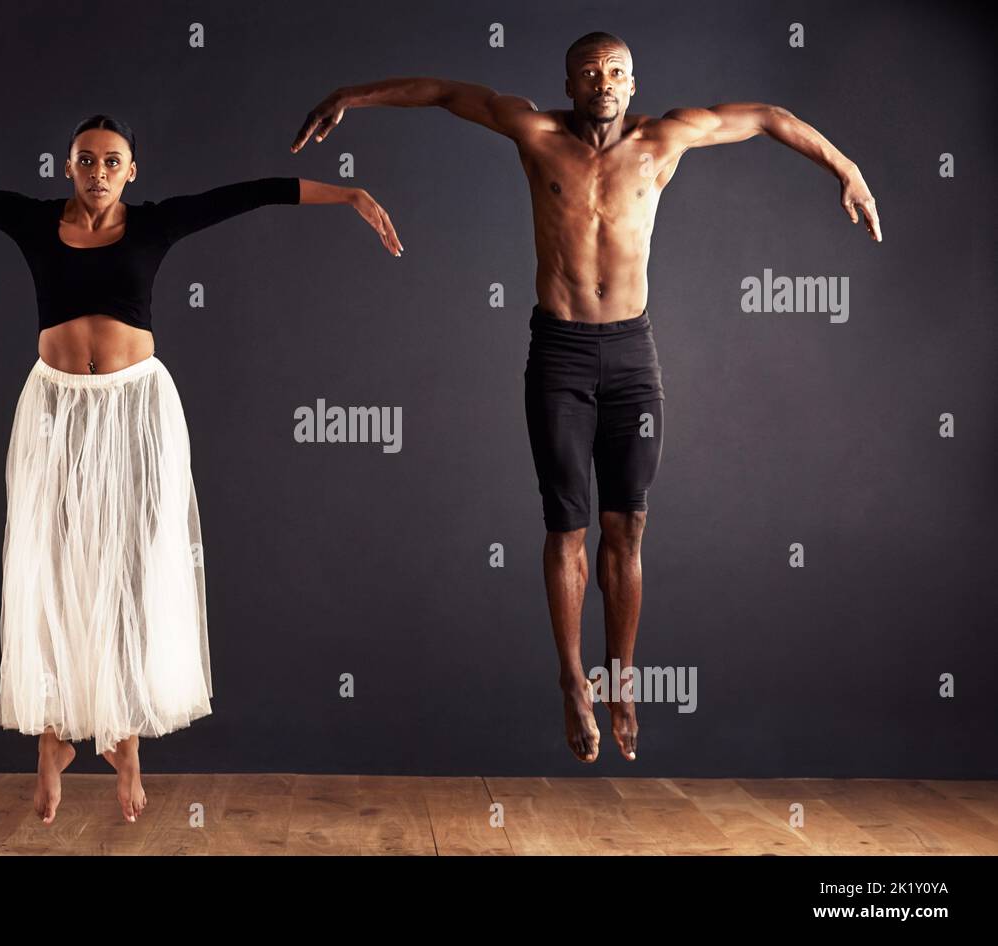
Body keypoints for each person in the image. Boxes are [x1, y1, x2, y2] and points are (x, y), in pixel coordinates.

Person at [0, 114, 403, 823]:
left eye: (113, 161)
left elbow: (255, 192)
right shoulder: (33, 220)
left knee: (131, 566)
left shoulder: (156, 224)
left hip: (137, 409)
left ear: (131, 171)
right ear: (67, 167)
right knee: (50, 565)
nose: (100, 171)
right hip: (53, 408)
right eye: (87, 160)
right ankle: (52, 740)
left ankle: (124, 738)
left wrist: (351, 196)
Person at [290, 32, 880, 763]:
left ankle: (622, 678)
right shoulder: (534, 131)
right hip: (560, 354)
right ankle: (573, 679)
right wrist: (351, 95)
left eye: (617, 72)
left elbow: (765, 115)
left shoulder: (667, 138)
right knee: (566, 528)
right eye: (590, 72)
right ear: (569, 83)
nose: (604, 82)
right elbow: (443, 93)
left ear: (634, 84)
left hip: (632, 355)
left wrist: (845, 167)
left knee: (626, 527)